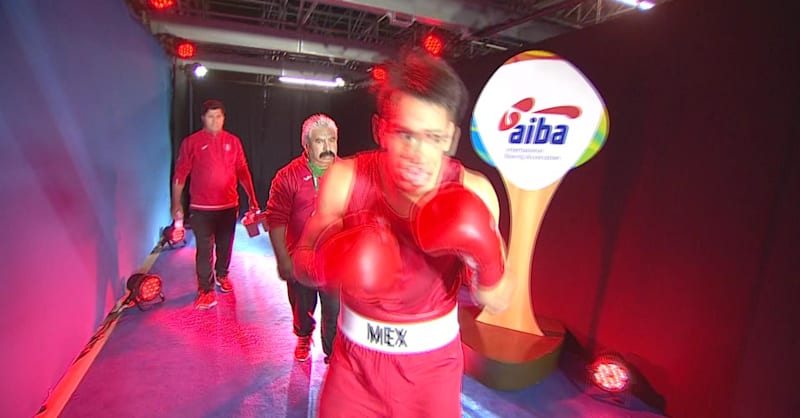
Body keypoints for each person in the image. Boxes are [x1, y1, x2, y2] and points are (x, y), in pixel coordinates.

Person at [291, 52, 514, 418]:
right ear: (381, 129)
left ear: (452, 138)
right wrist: (328, 262)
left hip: (433, 374)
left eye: (433, 137)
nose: (417, 153)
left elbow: (500, 299)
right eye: (404, 134)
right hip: (355, 371)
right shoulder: (346, 178)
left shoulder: (474, 191)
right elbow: (301, 263)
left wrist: (485, 257)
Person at [265, 114, 341, 363]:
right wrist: (282, 259)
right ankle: (303, 335)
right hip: (300, 261)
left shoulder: (347, 173)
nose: (327, 146)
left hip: (335, 263)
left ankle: (332, 353)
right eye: (320, 141)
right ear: (306, 147)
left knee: (335, 311)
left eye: (332, 139)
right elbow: (276, 219)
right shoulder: (287, 176)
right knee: (301, 308)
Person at [172, 99, 259, 310]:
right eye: (211, 117)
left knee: (225, 245)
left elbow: (242, 172)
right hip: (201, 208)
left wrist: (252, 198)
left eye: (219, 117)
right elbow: (180, 174)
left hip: (228, 206)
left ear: (224, 118)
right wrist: (176, 204)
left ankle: (222, 275)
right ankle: (205, 290)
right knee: (204, 249)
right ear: (203, 118)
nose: (215, 121)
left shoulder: (233, 142)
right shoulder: (191, 143)